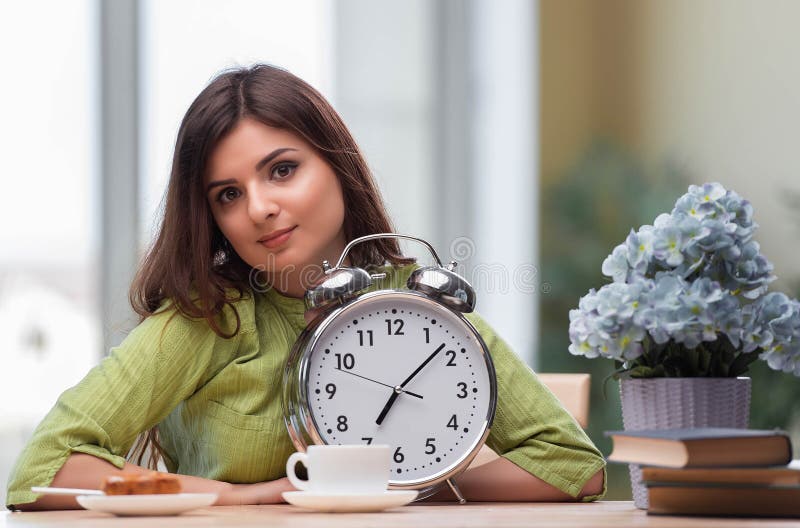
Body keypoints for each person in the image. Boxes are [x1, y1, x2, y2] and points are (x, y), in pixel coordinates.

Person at [6, 64, 605, 511]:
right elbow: (42, 467)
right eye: (228, 195)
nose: (261, 208)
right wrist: (252, 497)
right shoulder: (210, 319)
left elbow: (574, 467)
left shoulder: (417, 307)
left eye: (282, 170)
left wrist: (412, 485)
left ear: (337, 166)